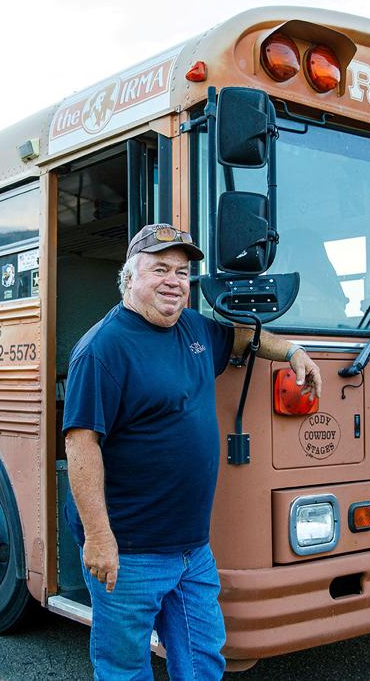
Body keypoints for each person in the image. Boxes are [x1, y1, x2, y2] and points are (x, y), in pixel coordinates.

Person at [63, 223, 323, 680]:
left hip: (191, 550)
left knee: (203, 661)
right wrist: (99, 539)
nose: (173, 281)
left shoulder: (194, 328)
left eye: (182, 272)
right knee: (124, 669)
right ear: (130, 277)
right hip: (130, 551)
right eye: (159, 268)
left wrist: (293, 352)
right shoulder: (102, 349)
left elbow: (245, 338)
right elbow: (81, 445)